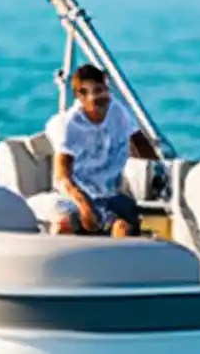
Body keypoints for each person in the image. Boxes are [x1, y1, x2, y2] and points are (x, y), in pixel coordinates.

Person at [42, 64, 157, 237]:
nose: (99, 97)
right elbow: (63, 176)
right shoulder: (69, 126)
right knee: (73, 219)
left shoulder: (118, 112)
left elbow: (141, 146)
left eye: (101, 90)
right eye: (91, 92)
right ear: (80, 96)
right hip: (76, 196)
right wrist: (84, 204)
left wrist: (159, 175)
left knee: (129, 218)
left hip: (111, 194)